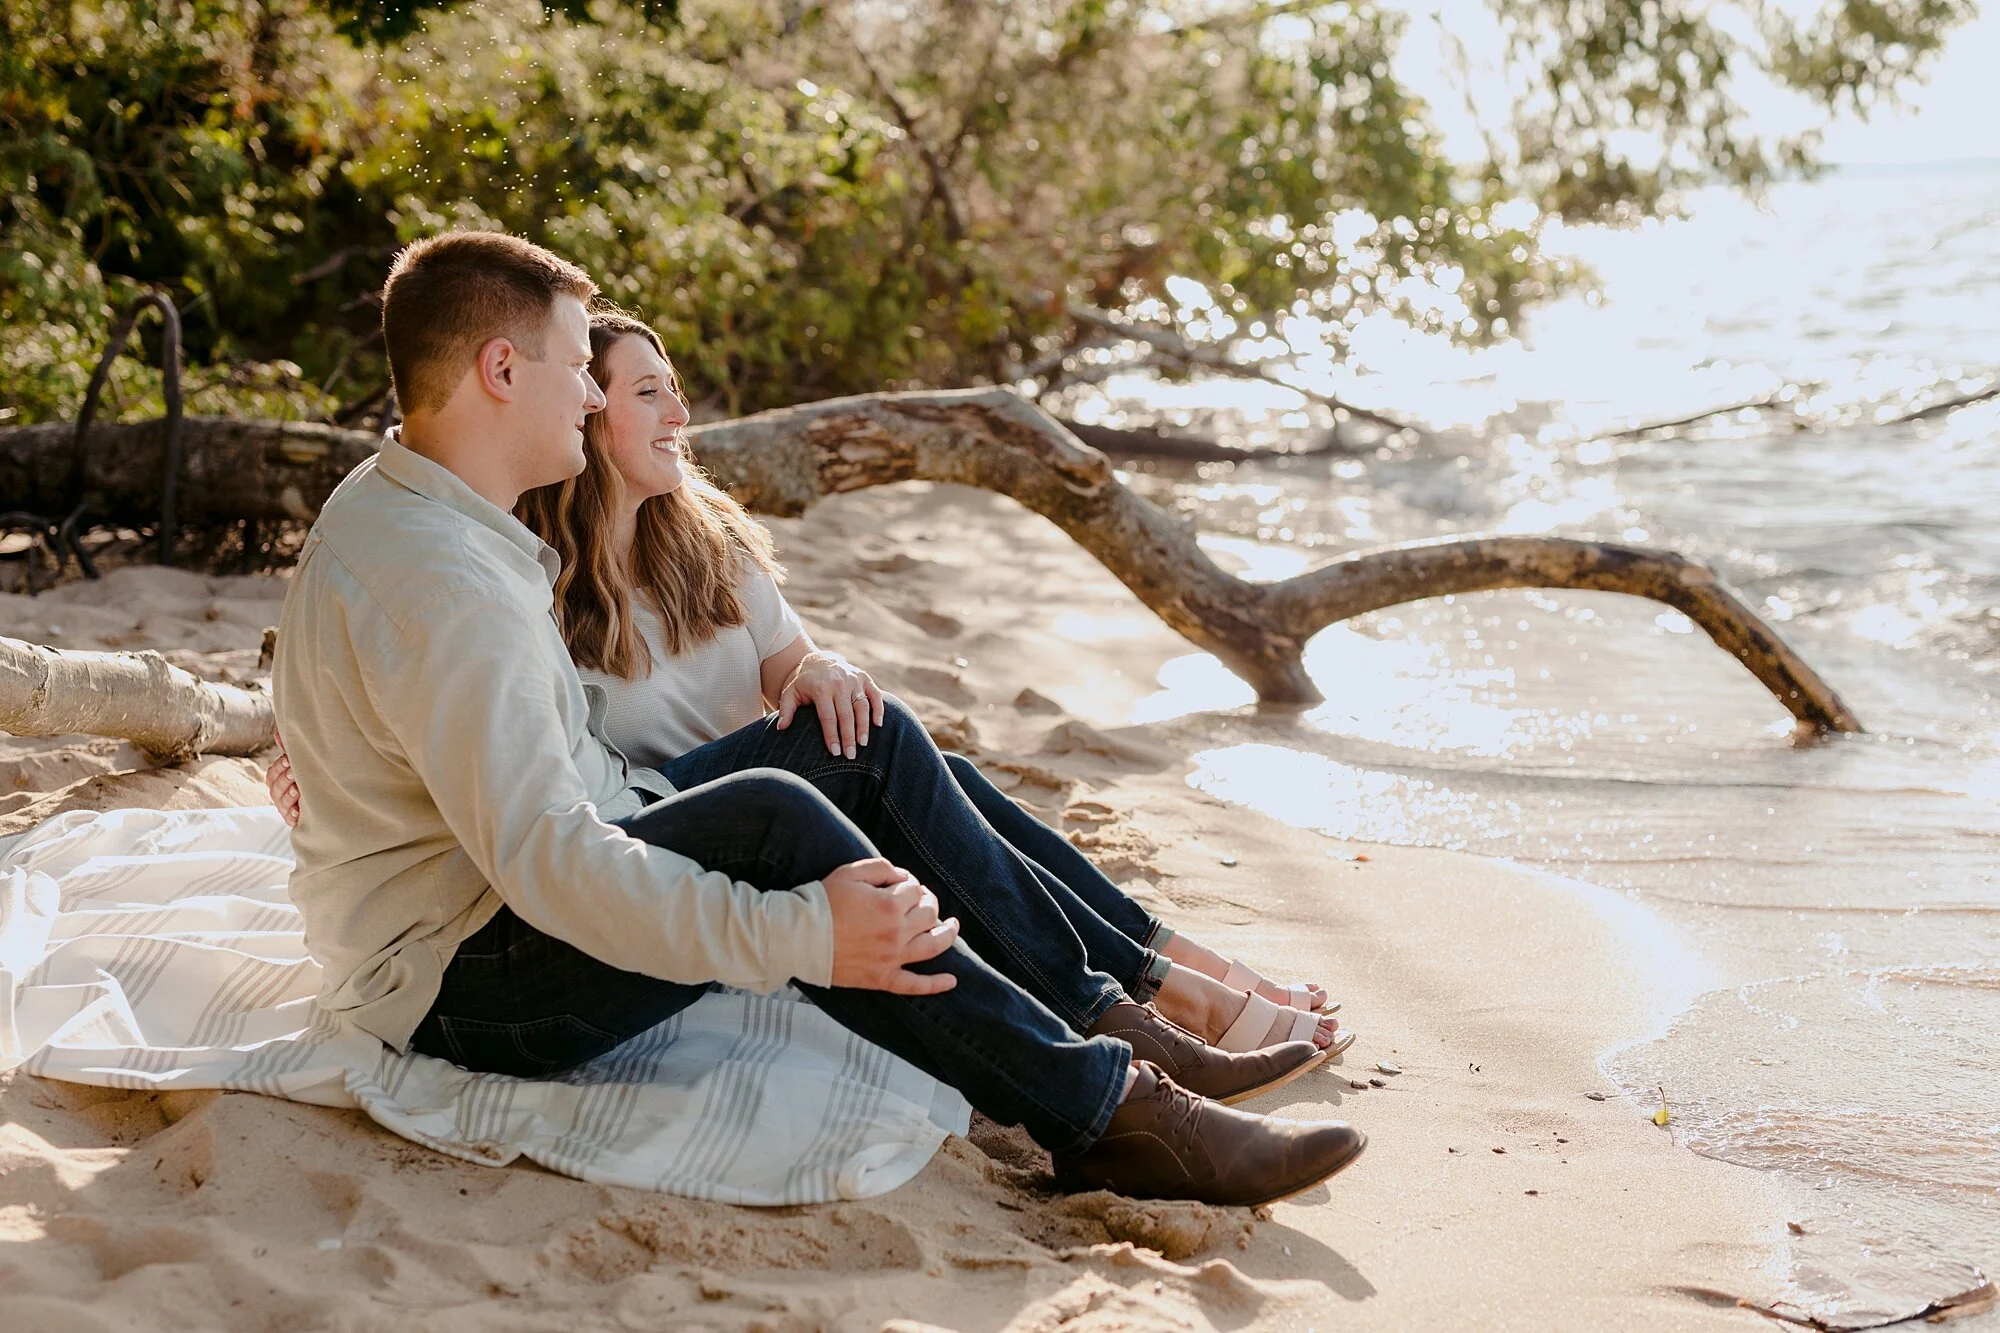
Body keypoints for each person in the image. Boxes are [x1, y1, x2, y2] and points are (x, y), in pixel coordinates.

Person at [271, 229, 1366, 1205]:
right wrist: (805, 933)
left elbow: (411, 717)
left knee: (862, 741)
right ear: (500, 370)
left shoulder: (416, 507)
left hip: (501, 894)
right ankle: (1105, 1111)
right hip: (462, 985)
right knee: (774, 823)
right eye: (577, 370)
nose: (594, 398)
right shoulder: (451, 586)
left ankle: (1107, 1034)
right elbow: (549, 864)